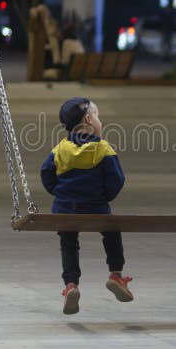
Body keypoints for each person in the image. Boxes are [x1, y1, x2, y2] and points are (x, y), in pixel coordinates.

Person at [40, 97, 133, 314]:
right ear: (89, 119)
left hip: (64, 208)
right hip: (96, 207)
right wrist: (103, 197)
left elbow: (46, 174)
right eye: (98, 116)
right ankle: (116, 274)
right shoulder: (104, 149)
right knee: (112, 232)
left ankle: (71, 284)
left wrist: (59, 193)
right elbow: (116, 180)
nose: (100, 121)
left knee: (69, 243)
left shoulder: (60, 149)